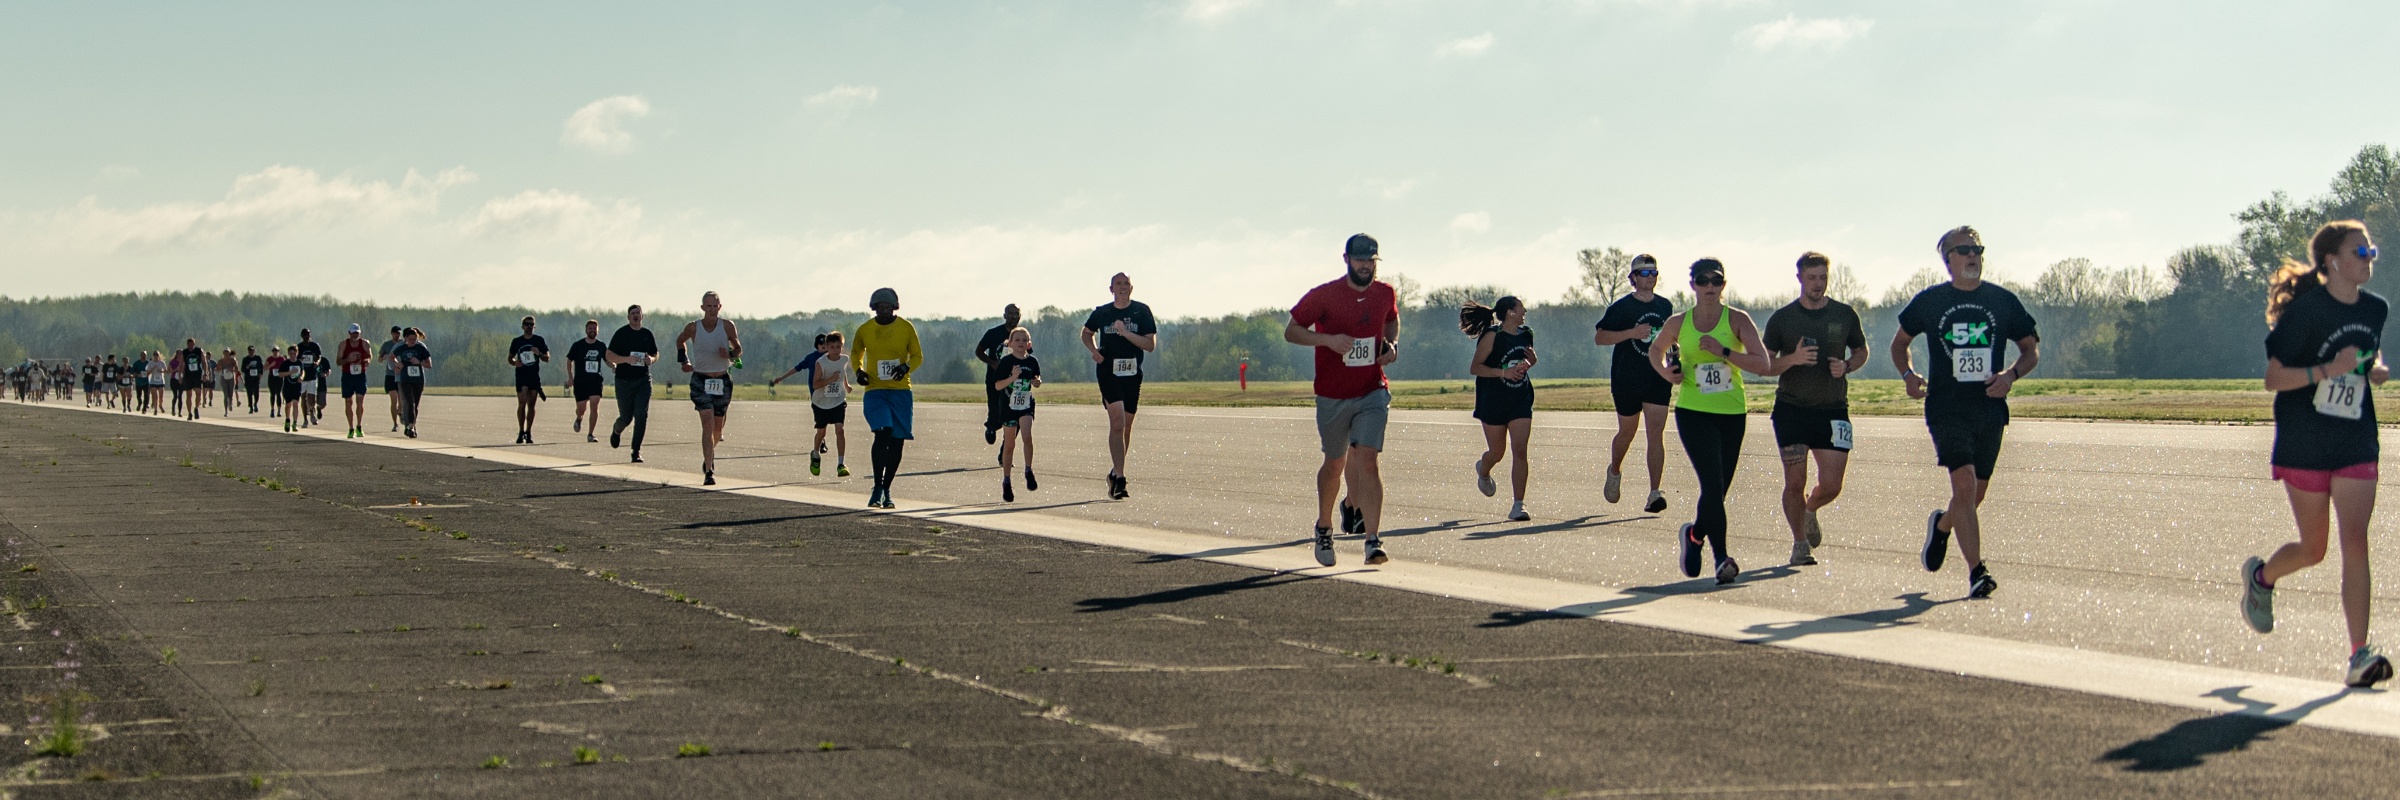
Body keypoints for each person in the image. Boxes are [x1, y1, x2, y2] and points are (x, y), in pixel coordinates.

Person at [2241, 219, 2393, 688]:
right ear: (2333, 261)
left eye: (2371, 251)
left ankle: (2359, 655)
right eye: (2360, 251)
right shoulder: (2306, 312)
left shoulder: (2376, 309)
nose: (2369, 258)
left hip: (2355, 440)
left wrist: (2373, 369)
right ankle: (2262, 579)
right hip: (2305, 441)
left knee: (2356, 541)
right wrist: (2328, 370)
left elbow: (2365, 356)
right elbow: (2273, 378)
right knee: (2314, 549)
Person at [1890, 226, 2040, 600]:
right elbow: (1899, 344)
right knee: (1965, 486)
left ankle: (1942, 525)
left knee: (1973, 496)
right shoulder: (1931, 301)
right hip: (1946, 407)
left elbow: (2030, 350)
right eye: (1964, 250)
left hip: (1989, 409)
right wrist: (1908, 375)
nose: (1973, 256)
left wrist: (2010, 376)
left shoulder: (2002, 301)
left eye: (1977, 250)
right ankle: (1977, 572)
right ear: (1948, 260)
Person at [1650, 258, 1788, 585]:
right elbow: (1656, 351)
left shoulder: (1737, 319)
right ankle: (1722, 559)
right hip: (1693, 412)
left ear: (1723, 285)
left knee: (1718, 491)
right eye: (1703, 280)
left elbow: (1763, 364)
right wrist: (1667, 373)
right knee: (1712, 485)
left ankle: (1695, 535)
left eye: (1716, 281)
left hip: (1732, 414)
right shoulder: (1679, 322)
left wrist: (1723, 351)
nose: (1710, 286)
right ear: (1693, 285)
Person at [1285, 233, 1401, 567]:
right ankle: (1324, 527)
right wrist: (1327, 340)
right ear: (1347, 259)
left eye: (1371, 261)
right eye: (1360, 259)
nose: (1365, 266)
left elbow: (1392, 320)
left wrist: (1391, 346)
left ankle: (1373, 541)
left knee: (1368, 460)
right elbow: (1292, 331)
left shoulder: (1384, 293)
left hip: (1372, 390)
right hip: (1332, 395)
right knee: (1335, 463)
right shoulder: (1324, 295)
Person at [1761, 252, 1869, 566]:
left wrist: (1847, 365)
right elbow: (1764, 365)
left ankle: (1810, 509)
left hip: (1833, 410)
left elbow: (1861, 350)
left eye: (1823, 277)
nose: (1818, 283)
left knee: (1833, 485)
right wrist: (1792, 359)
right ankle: (1799, 544)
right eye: (1811, 278)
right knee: (1795, 483)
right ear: (1800, 279)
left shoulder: (1844, 314)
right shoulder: (1783, 319)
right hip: (1791, 410)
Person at [1596, 253, 1675, 515]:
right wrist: (1632, 333)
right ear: (1633, 277)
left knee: (1655, 434)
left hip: (1657, 378)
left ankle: (1655, 493)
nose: (1650, 277)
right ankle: (1615, 470)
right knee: (1627, 433)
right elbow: (1600, 337)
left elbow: (1671, 337)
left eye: (1654, 273)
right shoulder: (1621, 308)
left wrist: (1674, 355)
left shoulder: (1665, 306)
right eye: (1645, 273)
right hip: (1626, 378)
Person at [1083, 273, 1158, 500]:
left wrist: (1126, 333)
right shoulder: (1102, 312)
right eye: (1118, 284)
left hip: (1132, 374)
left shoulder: (1141, 311)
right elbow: (1086, 333)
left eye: (1126, 284)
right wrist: (1094, 351)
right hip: (1108, 372)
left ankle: (1114, 473)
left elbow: (1149, 345)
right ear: (1111, 289)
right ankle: (1121, 479)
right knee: (1117, 423)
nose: (1123, 287)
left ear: (1131, 288)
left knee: (1126, 427)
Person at [1464, 295, 1537, 522]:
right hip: (1493, 401)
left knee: (1520, 450)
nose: (1524, 311)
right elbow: (1475, 368)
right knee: (1497, 452)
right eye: (1521, 307)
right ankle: (1483, 470)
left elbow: (1522, 363)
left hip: (1520, 398)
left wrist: (1531, 363)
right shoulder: (1492, 336)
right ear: (1510, 313)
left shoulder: (1527, 334)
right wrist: (1503, 373)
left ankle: (1518, 504)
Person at [853, 287, 922, 509]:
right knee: (883, 432)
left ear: (894, 308)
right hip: (875, 390)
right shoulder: (865, 329)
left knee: (897, 440)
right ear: (874, 308)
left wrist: (906, 367)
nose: (884, 310)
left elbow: (917, 356)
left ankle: (886, 489)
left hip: (900, 392)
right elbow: (856, 352)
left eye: (888, 307)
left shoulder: (906, 328)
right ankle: (876, 487)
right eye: (880, 307)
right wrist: (858, 371)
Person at [674, 293, 743, 485]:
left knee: (718, 428)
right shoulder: (693, 327)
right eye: (709, 306)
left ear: (720, 307)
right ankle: (709, 471)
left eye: (715, 306)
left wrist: (729, 354)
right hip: (701, 379)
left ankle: (709, 456)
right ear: (703, 307)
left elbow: (738, 350)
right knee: (707, 422)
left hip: (722, 380)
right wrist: (684, 361)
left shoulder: (727, 326)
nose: (712, 310)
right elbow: (680, 341)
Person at [992, 327, 1042, 502]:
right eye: (1017, 340)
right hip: (1008, 406)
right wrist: (1012, 378)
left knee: (1027, 436)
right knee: (1010, 444)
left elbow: (1036, 379)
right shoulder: (1006, 362)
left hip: (1026, 404)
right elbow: (997, 385)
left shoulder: (1032, 361)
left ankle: (1028, 470)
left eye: (1024, 340)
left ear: (1029, 344)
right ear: (1011, 343)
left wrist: (1037, 382)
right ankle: (1007, 481)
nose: (1021, 343)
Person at [605, 306, 659, 463]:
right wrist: (625, 359)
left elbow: (655, 353)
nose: (636, 316)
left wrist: (651, 359)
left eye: (638, 313)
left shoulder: (647, 334)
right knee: (626, 417)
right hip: (624, 381)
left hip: (643, 380)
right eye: (633, 313)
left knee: (641, 415)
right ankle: (616, 430)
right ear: (628, 317)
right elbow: (608, 355)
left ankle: (636, 451)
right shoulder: (621, 333)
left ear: (642, 316)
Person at [975, 305, 1022, 445]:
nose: (1013, 316)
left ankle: (1005, 448)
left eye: (1016, 314)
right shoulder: (993, 333)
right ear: (1004, 316)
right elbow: (979, 351)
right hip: (995, 380)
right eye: (1010, 313)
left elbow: (1027, 355)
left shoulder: (1022, 336)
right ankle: (991, 426)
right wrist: (991, 362)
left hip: (1015, 382)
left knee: (1015, 414)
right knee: (996, 411)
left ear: (1020, 316)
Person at [807, 332, 852, 478]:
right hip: (821, 403)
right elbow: (815, 384)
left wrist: (846, 385)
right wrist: (831, 379)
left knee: (840, 430)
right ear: (827, 347)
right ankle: (815, 453)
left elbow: (842, 372)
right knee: (822, 432)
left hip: (838, 401)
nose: (835, 350)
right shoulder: (821, 362)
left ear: (842, 347)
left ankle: (841, 464)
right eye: (832, 347)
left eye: (838, 347)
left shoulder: (844, 359)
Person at [505, 316, 550, 443]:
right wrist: (515, 362)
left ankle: (528, 432)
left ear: (534, 326)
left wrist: (539, 354)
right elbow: (510, 357)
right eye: (526, 324)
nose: (529, 326)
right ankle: (521, 431)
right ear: (522, 326)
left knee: (531, 404)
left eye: (531, 324)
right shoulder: (517, 341)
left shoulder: (539, 340)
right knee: (522, 403)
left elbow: (547, 358)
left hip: (533, 376)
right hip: (521, 376)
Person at [566, 319, 608, 443]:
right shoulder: (578, 345)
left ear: (598, 330)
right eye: (590, 328)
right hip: (581, 382)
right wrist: (570, 377)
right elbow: (569, 360)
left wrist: (614, 366)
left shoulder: (601, 346)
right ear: (586, 330)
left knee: (594, 405)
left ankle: (590, 434)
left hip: (595, 381)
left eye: (594, 328)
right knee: (582, 409)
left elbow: (607, 360)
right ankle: (579, 418)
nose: (592, 330)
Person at [390, 327, 432, 438]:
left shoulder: (421, 348)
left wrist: (419, 362)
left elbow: (429, 365)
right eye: (411, 339)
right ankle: (410, 427)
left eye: (414, 339)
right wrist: (398, 364)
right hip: (405, 379)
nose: (413, 341)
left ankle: (412, 425)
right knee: (409, 403)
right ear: (406, 338)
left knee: (415, 405)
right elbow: (391, 357)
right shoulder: (401, 348)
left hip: (418, 380)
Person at [336, 324, 374, 436]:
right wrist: (348, 359)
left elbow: (369, 356)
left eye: (357, 333)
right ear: (349, 333)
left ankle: (359, 426)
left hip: (360, 375)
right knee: (348, 402)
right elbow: (338, 362)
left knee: (360, 401)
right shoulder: (343, 344)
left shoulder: (365, 343)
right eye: (353, 333)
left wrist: (367, 361)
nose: (355, 335)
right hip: (348, 375)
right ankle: (351, 428)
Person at [294, 329, 325, 426]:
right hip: (302, 376)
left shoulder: (314, 346)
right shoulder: (299, 347)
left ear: (310, 335)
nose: (306, 336)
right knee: (303, 397)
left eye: (308, 334)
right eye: (304, 335)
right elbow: (295, 359)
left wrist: (317, 362)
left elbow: (319, 356)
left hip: (312, 375)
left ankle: (311, 412)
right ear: (302, 336)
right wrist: (300, 360)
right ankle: (305, 419)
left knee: (312, 397)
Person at [380, 326, 404, 431]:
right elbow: (379, 359)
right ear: (391, 333)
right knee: (393, 400)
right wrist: (384, 357)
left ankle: (400, 412)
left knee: (401, 401)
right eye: (395, 333)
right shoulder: (386, 345)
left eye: (398, 333)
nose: (397, 335)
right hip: (390, 375)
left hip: (401, 375)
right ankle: (395, 424)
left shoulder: (403, 344)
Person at [279, 346, 306, 431]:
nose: (292, 355)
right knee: (288, 404)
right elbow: (280, 374)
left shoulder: (299, 362)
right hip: (288, 386)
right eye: (291, 354)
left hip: (296, 386)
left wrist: (302, 377)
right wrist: (290, 372)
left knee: (295, 404)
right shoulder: (285, 363)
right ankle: (287, 420)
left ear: (297, 353)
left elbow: (302, 371)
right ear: (288, 354)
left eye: (294, 353)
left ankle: (295, 423)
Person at [263, 347, 286, 420]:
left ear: (279, 351)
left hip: (279, 378)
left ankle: (279, 410)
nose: (275, 352)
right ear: (272, 352)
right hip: (272, 378)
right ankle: (272, 409)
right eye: (274, 351)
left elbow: (286, 367)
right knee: (272, 394)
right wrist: (271, 365)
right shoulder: (269, 359)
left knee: (278, 394)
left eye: (276, 351)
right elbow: (264, 368)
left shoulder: (281, 359)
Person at [215, 348, 239, 417]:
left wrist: (231, 369)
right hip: (224, 378)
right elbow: (217, 370)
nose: (226, 354)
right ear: (223, 353)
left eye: (227, 352)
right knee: (226, 395)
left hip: (231, 378)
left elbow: (237, 370)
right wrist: (219, 368)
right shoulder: (220, 361)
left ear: (229, 353)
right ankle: (226, 411)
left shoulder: (233, 361)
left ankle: (230, 403)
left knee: (230, 393)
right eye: (225, 353)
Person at [241, 346, 263, 414]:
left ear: (254, 351)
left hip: (256, 378)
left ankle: (255, 403)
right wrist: (247, 367)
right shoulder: (245, 359)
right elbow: (242, 369)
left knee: (256, 393)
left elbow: (261, 367)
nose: (251, 352)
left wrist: (260, 373)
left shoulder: (258, 358)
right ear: (248, 351)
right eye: (250, 350)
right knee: (249, 393)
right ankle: (251, 407)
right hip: (248, 379)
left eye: (252, 350)